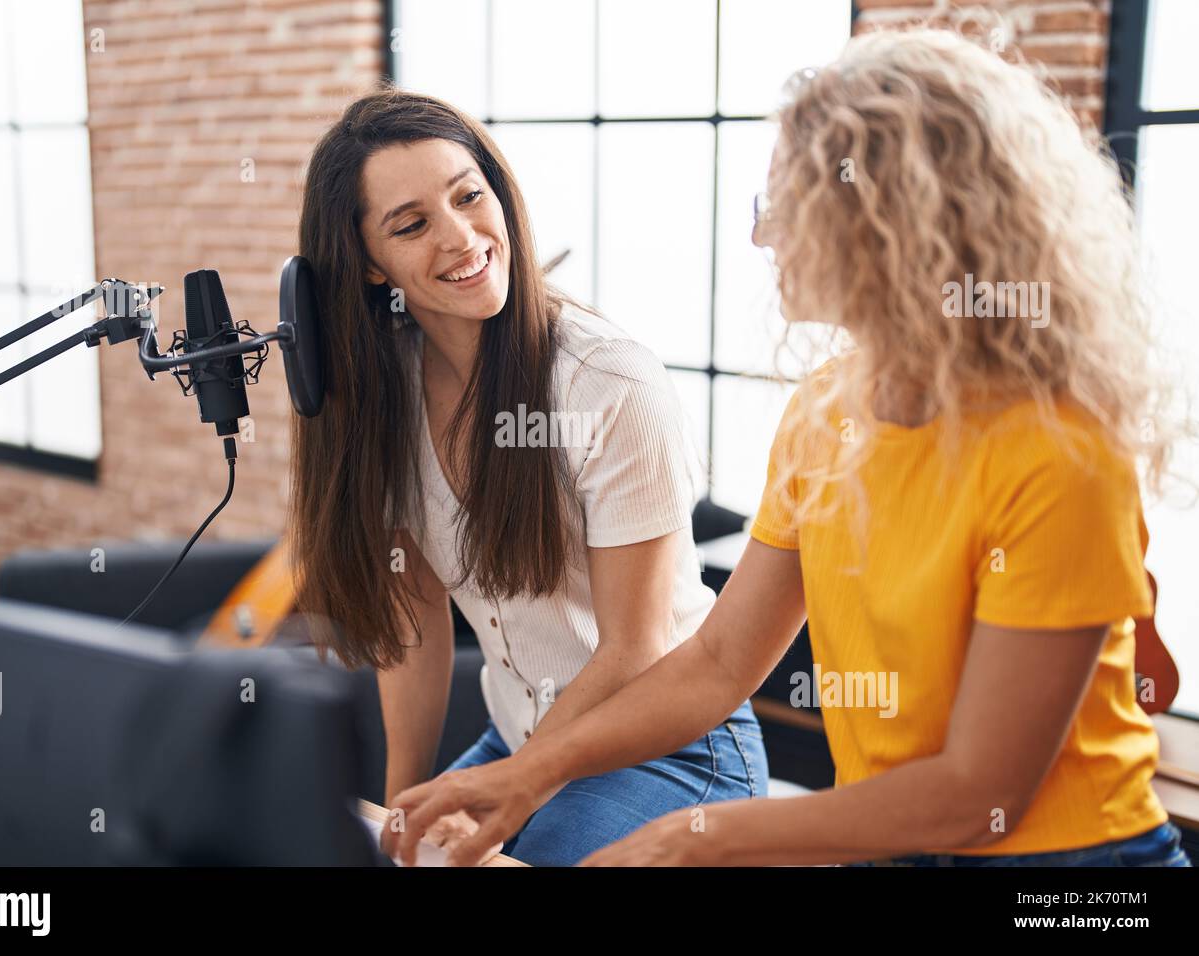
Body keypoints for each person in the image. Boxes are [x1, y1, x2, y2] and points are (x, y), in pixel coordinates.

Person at [382, 29, 1192, 868]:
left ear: (894, 227)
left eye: (786, 209)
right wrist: (531, 773)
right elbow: (719, 660)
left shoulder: (1058, 453)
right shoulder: (825, 414)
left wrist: (694, 837)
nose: (764, 238)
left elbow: (978, 795)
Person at [288, 88, 767, 867]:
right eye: (412, 225)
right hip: (521, 740)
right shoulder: (385, 397)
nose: (462, 237)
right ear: (370, 265)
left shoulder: (606, 383)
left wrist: (522, 782)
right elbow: (415, 628)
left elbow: (634, 649)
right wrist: (402, 816)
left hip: (676, 750)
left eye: (469, 197)